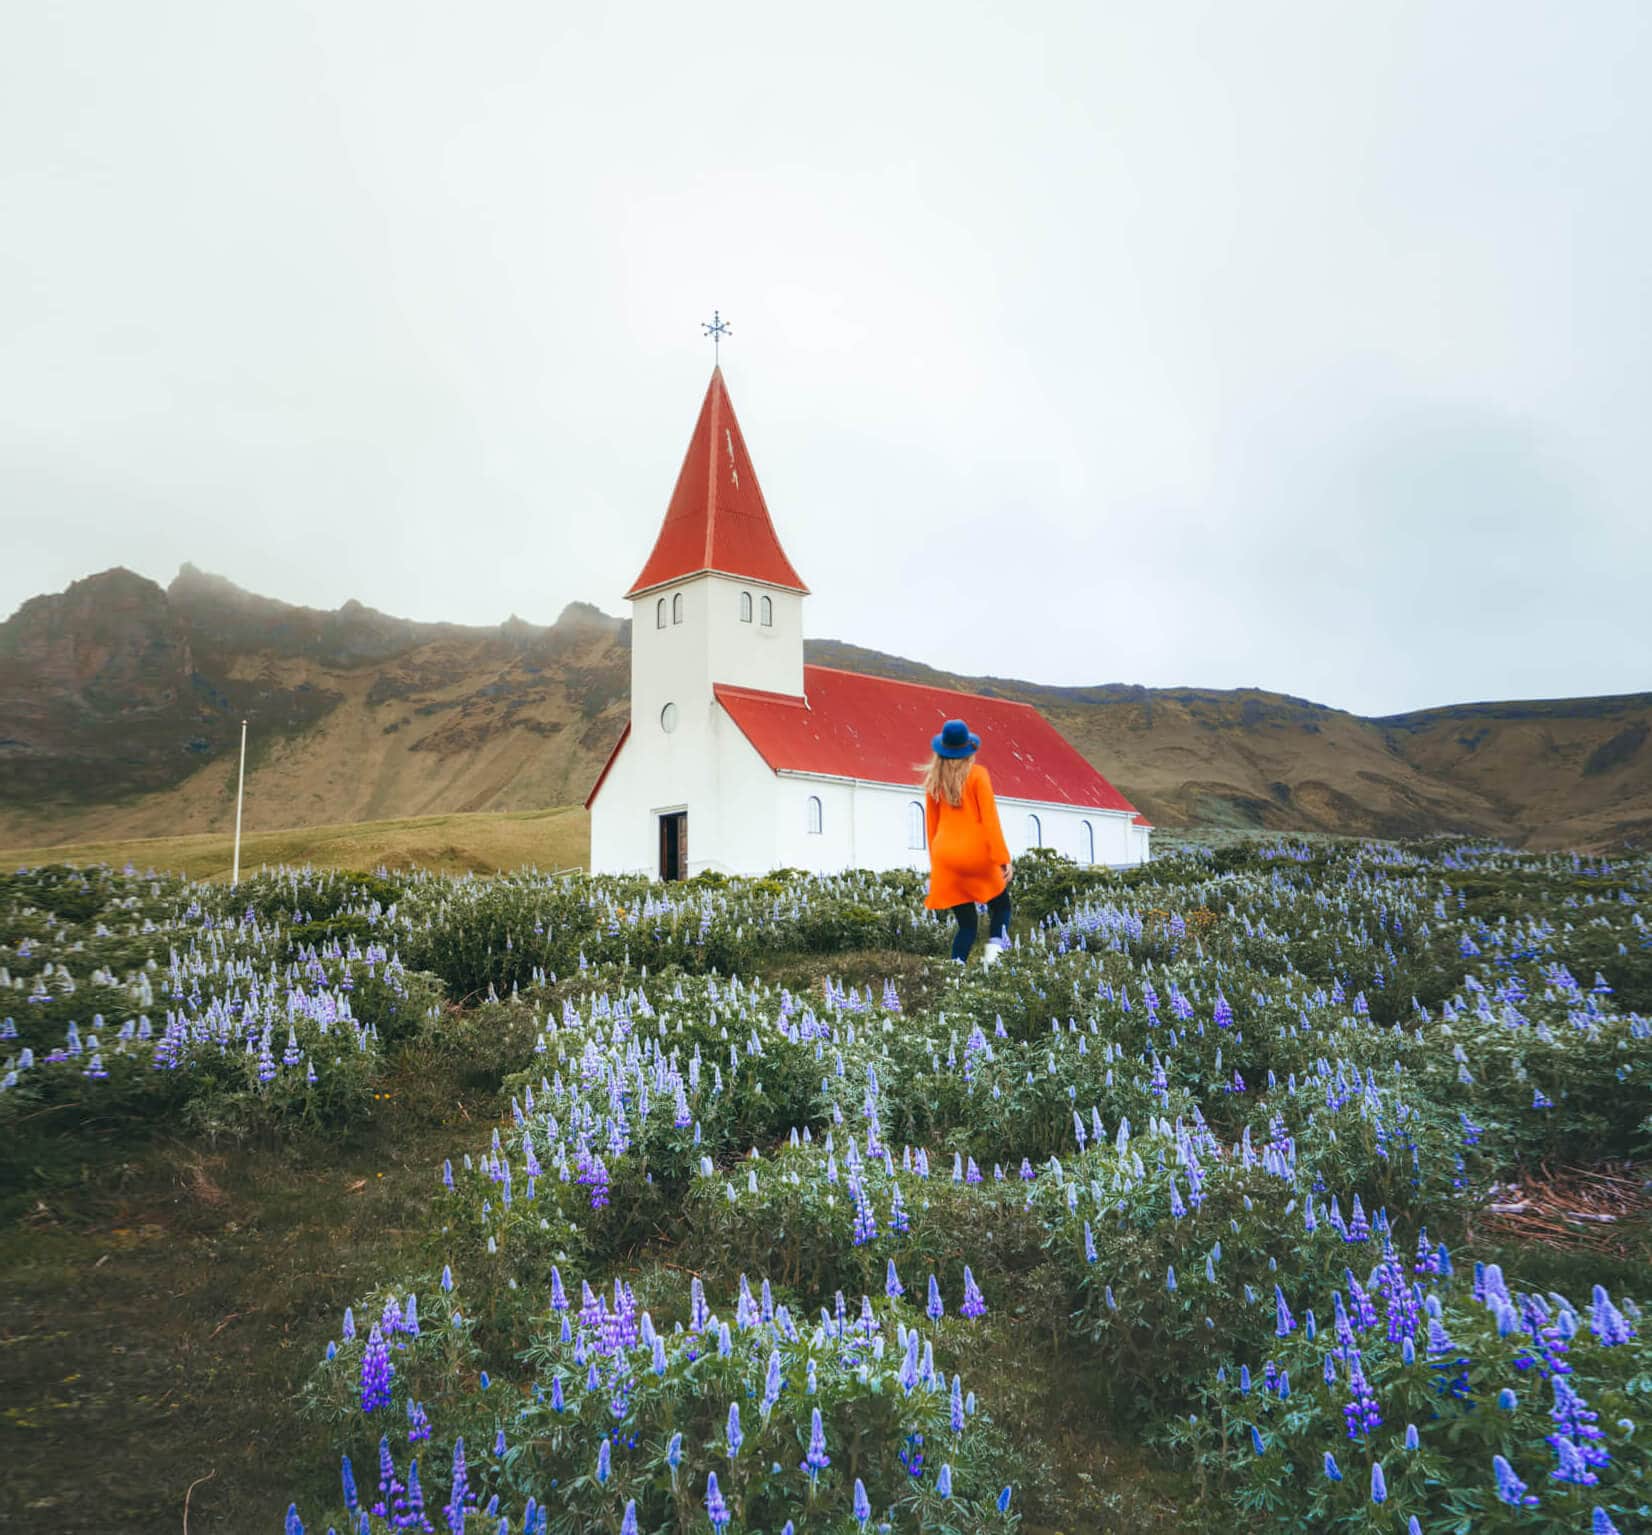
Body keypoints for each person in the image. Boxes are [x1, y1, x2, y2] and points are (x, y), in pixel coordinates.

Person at [921, 717, 1012, 964]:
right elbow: (990, 819)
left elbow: (931, 827)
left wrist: (937, 867)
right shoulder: (978, 775)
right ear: (967, 749)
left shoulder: (933, 782)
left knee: (967, 925)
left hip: (946, 857)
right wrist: (1003, 859)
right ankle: (993, 957)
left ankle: (955, 976)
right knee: (1002, 906)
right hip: (976, 854)